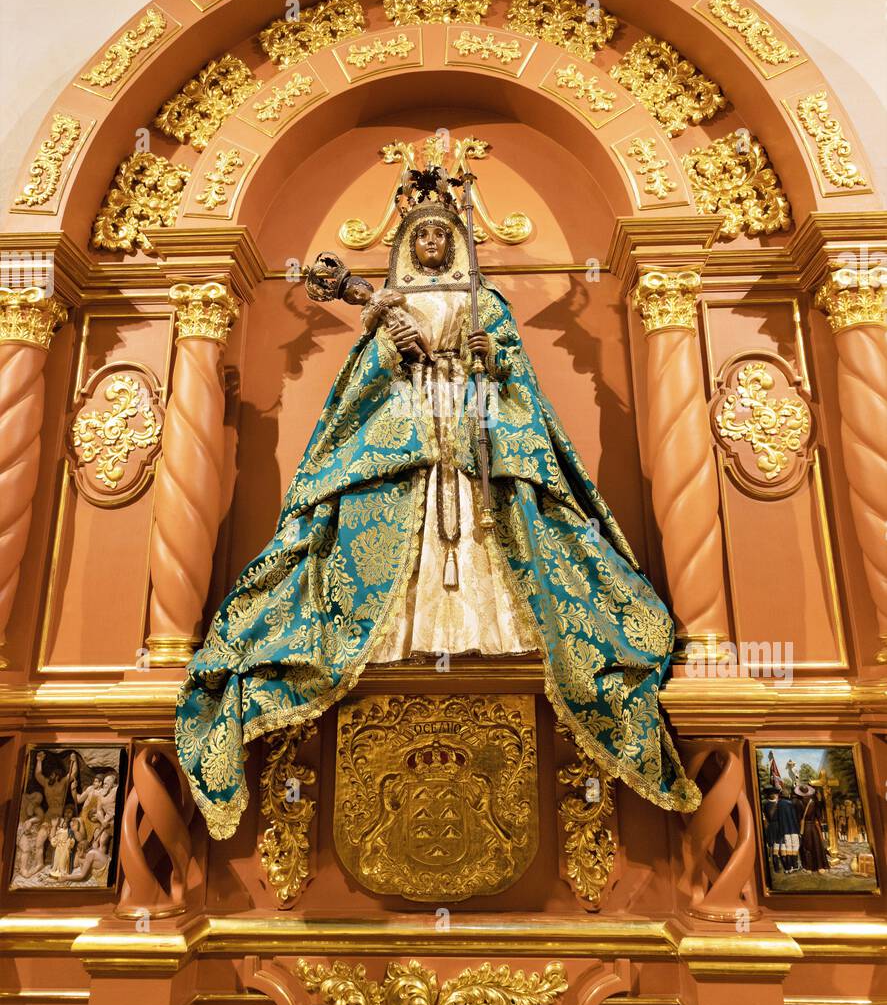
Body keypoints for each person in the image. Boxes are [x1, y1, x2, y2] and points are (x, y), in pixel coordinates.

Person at [177, 156, 700, 838]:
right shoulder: (385, 303)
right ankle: (403, 630)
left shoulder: (484, 300)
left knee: (501, 520)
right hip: (404, 423)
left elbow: (512, 365)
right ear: (407, 244)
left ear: (453, 242)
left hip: (478, 422)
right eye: (419, 237)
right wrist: (390, 342)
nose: (430, 245)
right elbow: (365, 375)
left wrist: (490, 355)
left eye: (439, 237)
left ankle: (488, 628)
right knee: (381, 518)